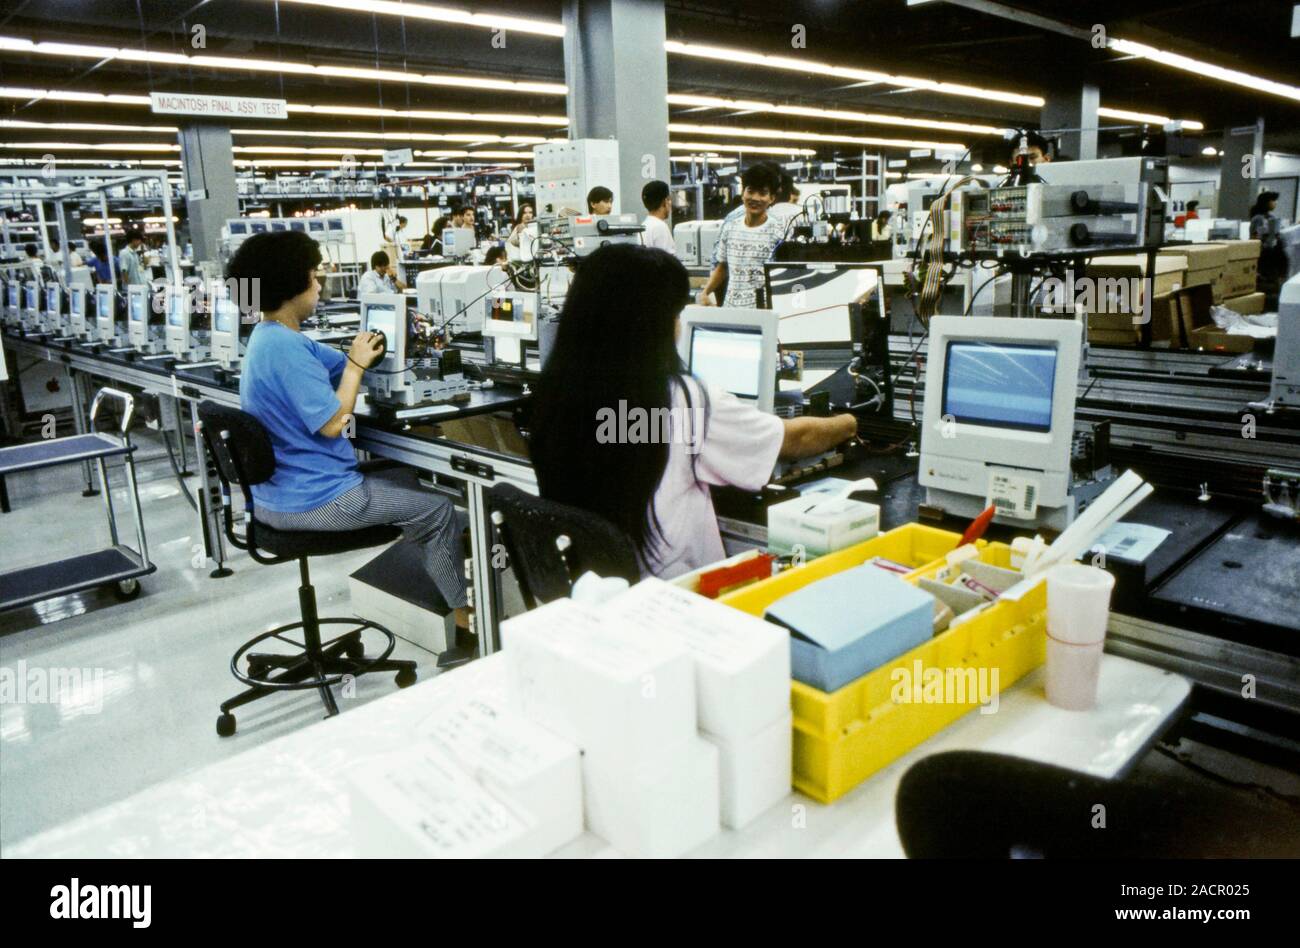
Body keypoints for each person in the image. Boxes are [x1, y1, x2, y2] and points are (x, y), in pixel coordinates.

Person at [529, 243, 858, 579]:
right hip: (674, 602)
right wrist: (848, 423)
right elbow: (792, 440)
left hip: (599, 600)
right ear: (648, 325)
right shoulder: (679, 401)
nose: (678, 326)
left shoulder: (558, 392)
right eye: (674, 314)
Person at [228, 230, 470, 632]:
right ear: (293, 286)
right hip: (315, 501)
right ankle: (464, 622)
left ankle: (426, 588)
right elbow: (333, 423)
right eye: (314, 275)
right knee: (439, 509)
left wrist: (374, 353)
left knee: (403, 477)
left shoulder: (270, 337)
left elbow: (339, 362)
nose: (319, 284)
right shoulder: (286, 349)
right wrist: (357, 368)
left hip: (272, 499)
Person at [698, 162, 785, 308]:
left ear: (772, 198)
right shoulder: (730, 227)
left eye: (763, 193)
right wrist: (705, 292)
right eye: (750, 191)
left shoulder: (779, 232)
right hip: (731, 308)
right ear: (743, 192)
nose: (755, 198)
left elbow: (781, 276)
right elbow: (723, 266)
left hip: (762, 311)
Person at [1250, 190, 1287, 305]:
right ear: (1266, 202)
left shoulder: (1272, 217)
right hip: (1264, 251)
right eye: (1273, 201)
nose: (1275, 203)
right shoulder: (1258, 218)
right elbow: (1255, 236)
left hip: (1271, 250)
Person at [640, 180, 676, 255]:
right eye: (669, 199)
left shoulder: (644, 225)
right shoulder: (660, 226)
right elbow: (667, 261)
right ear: (665, 201)